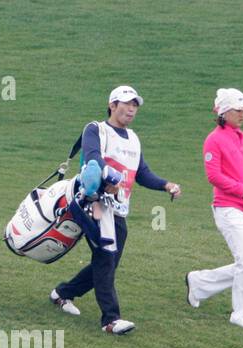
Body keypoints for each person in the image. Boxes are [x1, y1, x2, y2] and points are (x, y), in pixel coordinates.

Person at [49, 85, 181, 335]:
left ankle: (62, 293)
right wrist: (109, 176)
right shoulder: (95, 129)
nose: (131, 108)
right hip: (94, 205)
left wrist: (166, 185)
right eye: (126, 103)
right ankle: (110, 320)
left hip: (118, 210)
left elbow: (141, 173)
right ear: (112, 105)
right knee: (106, 258)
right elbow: (92, 157)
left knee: (106, 262)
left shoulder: (133, 139)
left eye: (135, 105)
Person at [185, 88, 243, 331]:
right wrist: (242, 190)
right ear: (224, 112)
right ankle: (241, 314)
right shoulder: (214, 139)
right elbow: (214, 176)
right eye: (238, 111)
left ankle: (198, 283)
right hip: (228, 207)